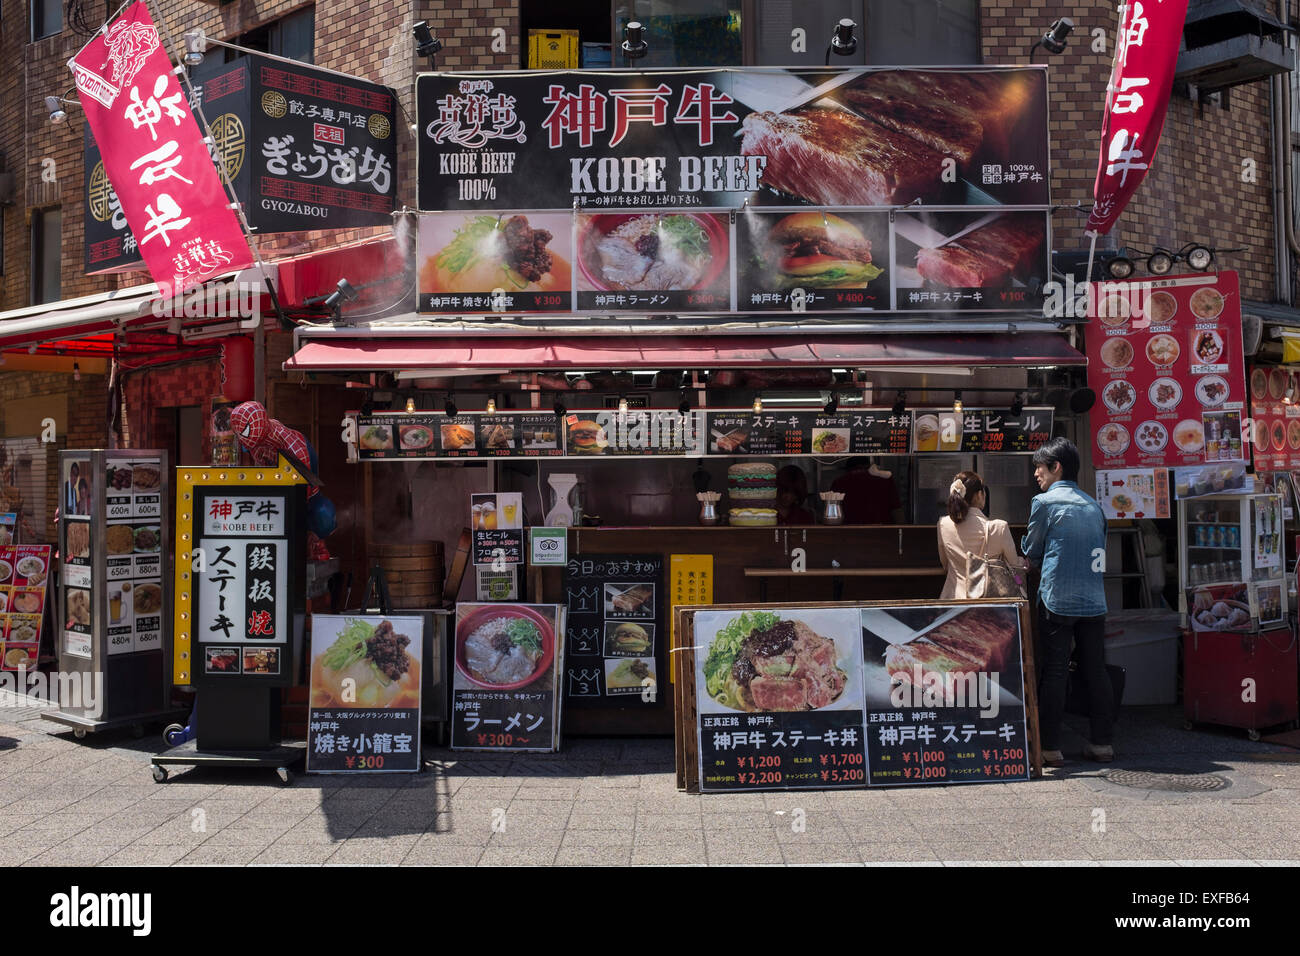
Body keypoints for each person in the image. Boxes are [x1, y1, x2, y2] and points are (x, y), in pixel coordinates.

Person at [1021, 437, 1112, 766]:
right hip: (1094, 600)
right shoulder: (1094, 506)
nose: (1036, 474)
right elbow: (1100, 554)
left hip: (1057, 599)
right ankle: (1103, 744)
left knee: (1056, 672)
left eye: (1039, 467)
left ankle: (1050, 748)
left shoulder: (1044, 503)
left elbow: (1032, 551)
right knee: (1095, 670)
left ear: (1055, 467)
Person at [936, 470, 1024, 599]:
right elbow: (1014, 567)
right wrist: (1023, 563)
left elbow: (945, 564)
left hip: (953, 600)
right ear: (979, 495)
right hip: (989, 602)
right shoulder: (999, 527)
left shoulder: (943, 524)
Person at [832, 457, 903, 524]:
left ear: (847, 469)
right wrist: (903, 528)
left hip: (849, 528)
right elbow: (896, 509)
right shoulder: (884, 480)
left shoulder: (839, 482)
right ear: (869, 467)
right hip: (881, 528)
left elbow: (833, 511)